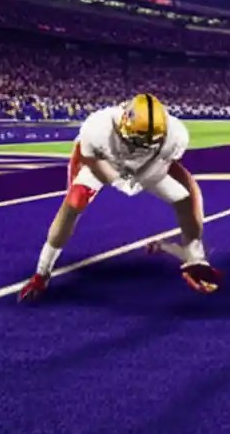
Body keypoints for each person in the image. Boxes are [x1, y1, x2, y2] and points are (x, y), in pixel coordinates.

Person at [18, 94, 218, 302]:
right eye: (136, 140)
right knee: (74, 201)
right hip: (107, 162)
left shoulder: (174, 135)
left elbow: (175, 173)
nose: (141, 146)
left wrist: (195, 255)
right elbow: (86, 158)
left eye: (149, 141)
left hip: (147, 167)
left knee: (188, 195)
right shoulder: (99, 127)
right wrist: (114, 181)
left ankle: (195, 258)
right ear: (123, 123)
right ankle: (42, 272)